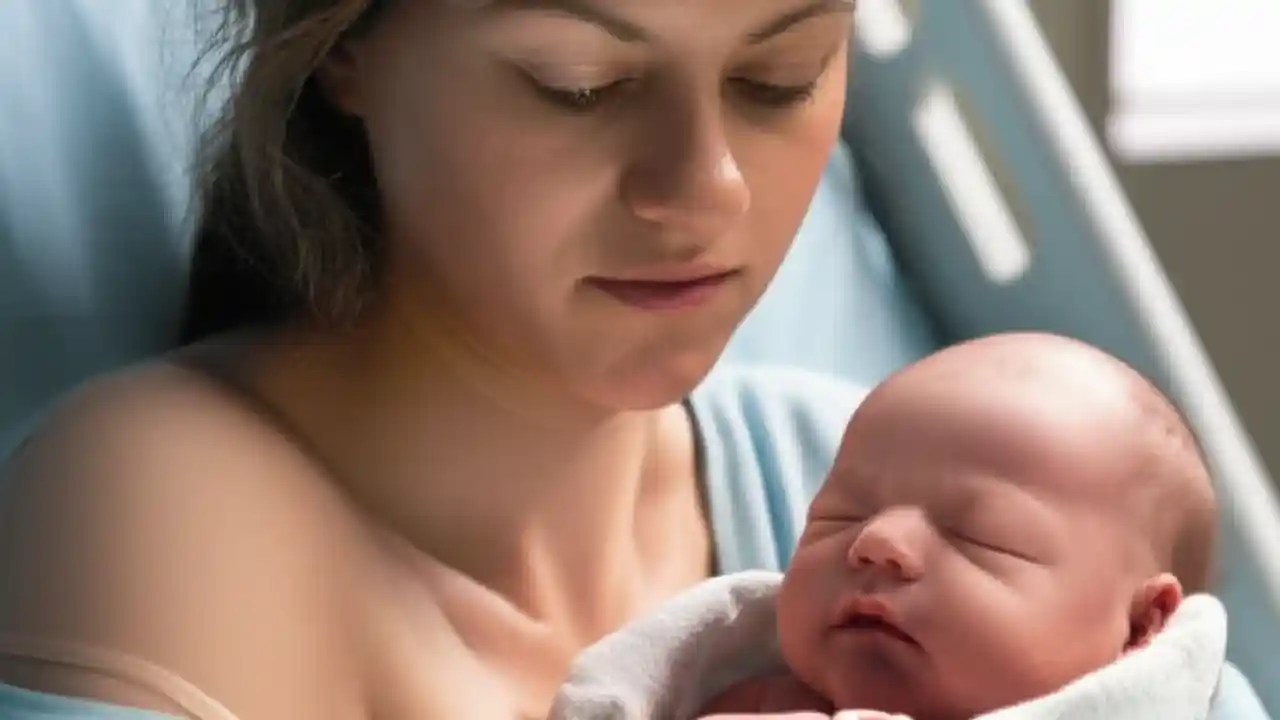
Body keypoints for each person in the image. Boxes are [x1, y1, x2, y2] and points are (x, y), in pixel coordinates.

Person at [0, 1, 1268, 719]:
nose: (702, 189)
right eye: (580, 83)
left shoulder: (869, 471)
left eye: (781, 75)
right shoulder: (159, 508)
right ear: (347, 46)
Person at [549, 333, 1227, 720]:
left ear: (1141, 628)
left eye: (978, 535)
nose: (876, 542)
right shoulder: (748, 699)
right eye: (841, 513)